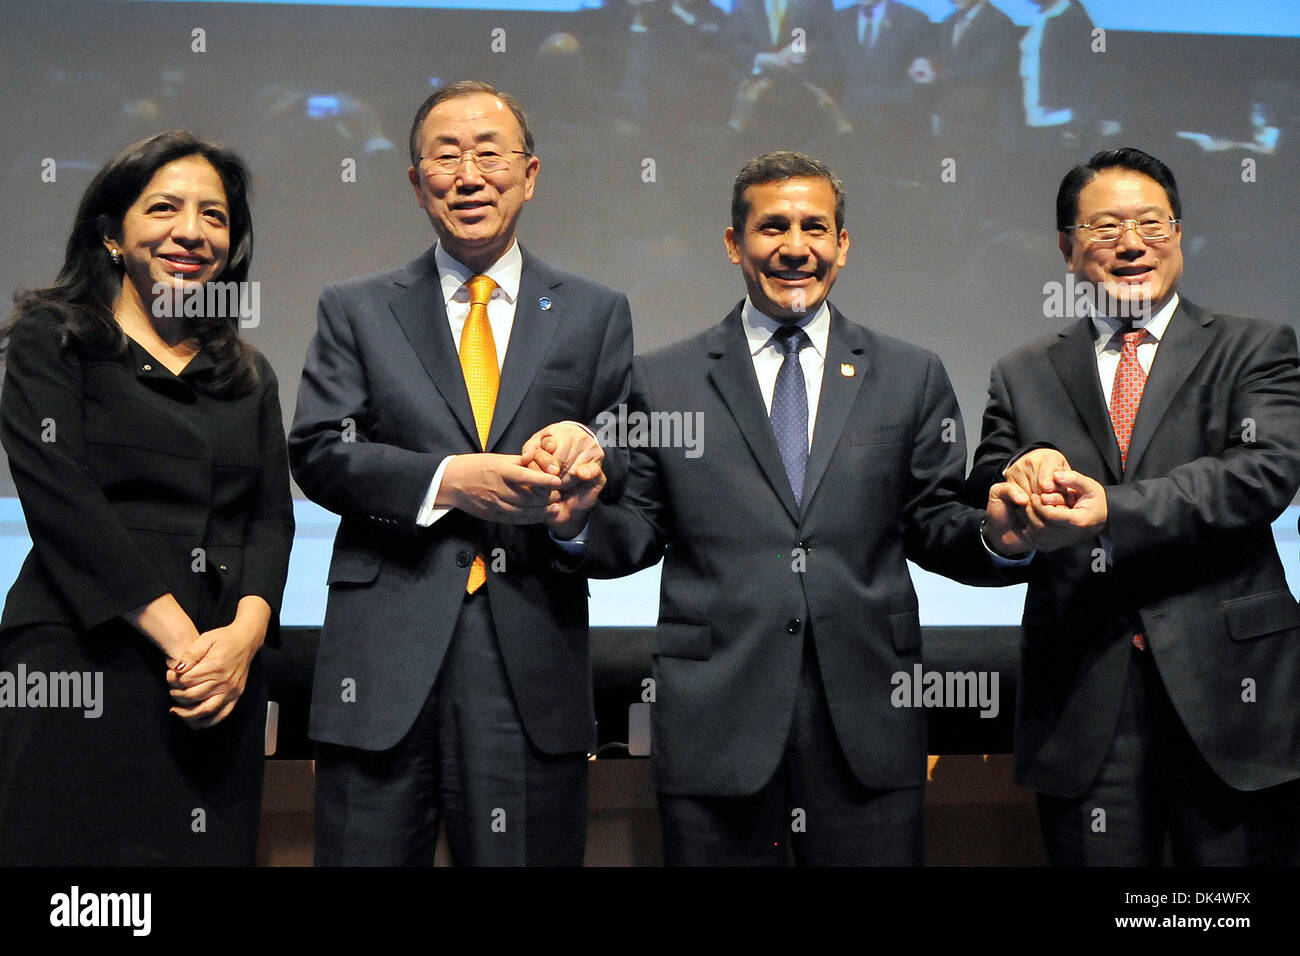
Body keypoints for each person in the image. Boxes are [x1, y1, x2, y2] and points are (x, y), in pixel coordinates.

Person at [547, 150, 1034, 865]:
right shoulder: (662, 378)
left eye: (816, 227)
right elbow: (640, 530)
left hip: (870, 719)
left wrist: (1001, 536)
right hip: (715, 724)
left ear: (843, 244)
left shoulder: (909, 374)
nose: (795, 247)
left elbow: (933, 523)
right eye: (773, 227)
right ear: (733, 243)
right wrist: (574, 524)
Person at [289, 81, 633, 866]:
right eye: (445, 157)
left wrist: (579, 499)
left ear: (531, 172)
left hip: (528, 650)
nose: (469, 175)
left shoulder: (593, 311)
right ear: (416, 183)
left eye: (490, 153)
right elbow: (317, 450)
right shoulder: (357, 307)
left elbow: (626, 466)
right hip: (380, 658)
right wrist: (447, 480)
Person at [967, 147, 1300, 865]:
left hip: (1230, 693)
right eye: (1105, 227)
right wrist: (1012, 503)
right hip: (1084, 697)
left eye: (1151, 222)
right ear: (1067, 248)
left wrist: (1109, 509)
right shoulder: (1022, 372)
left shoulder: (1252, 348)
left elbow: (1264, 474)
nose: (1131, 243)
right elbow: (991, 489)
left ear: (1178, 235)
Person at [0, 130, 294, 866]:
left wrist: (243, 640)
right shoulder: (56, 339)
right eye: (165, 208)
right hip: (81, 662)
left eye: (215, 216)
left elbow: (269, 520)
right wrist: (186, 646)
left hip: (217, 686)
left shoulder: (247, 373)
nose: (191, 232)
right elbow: (66, 507)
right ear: (111, 234)